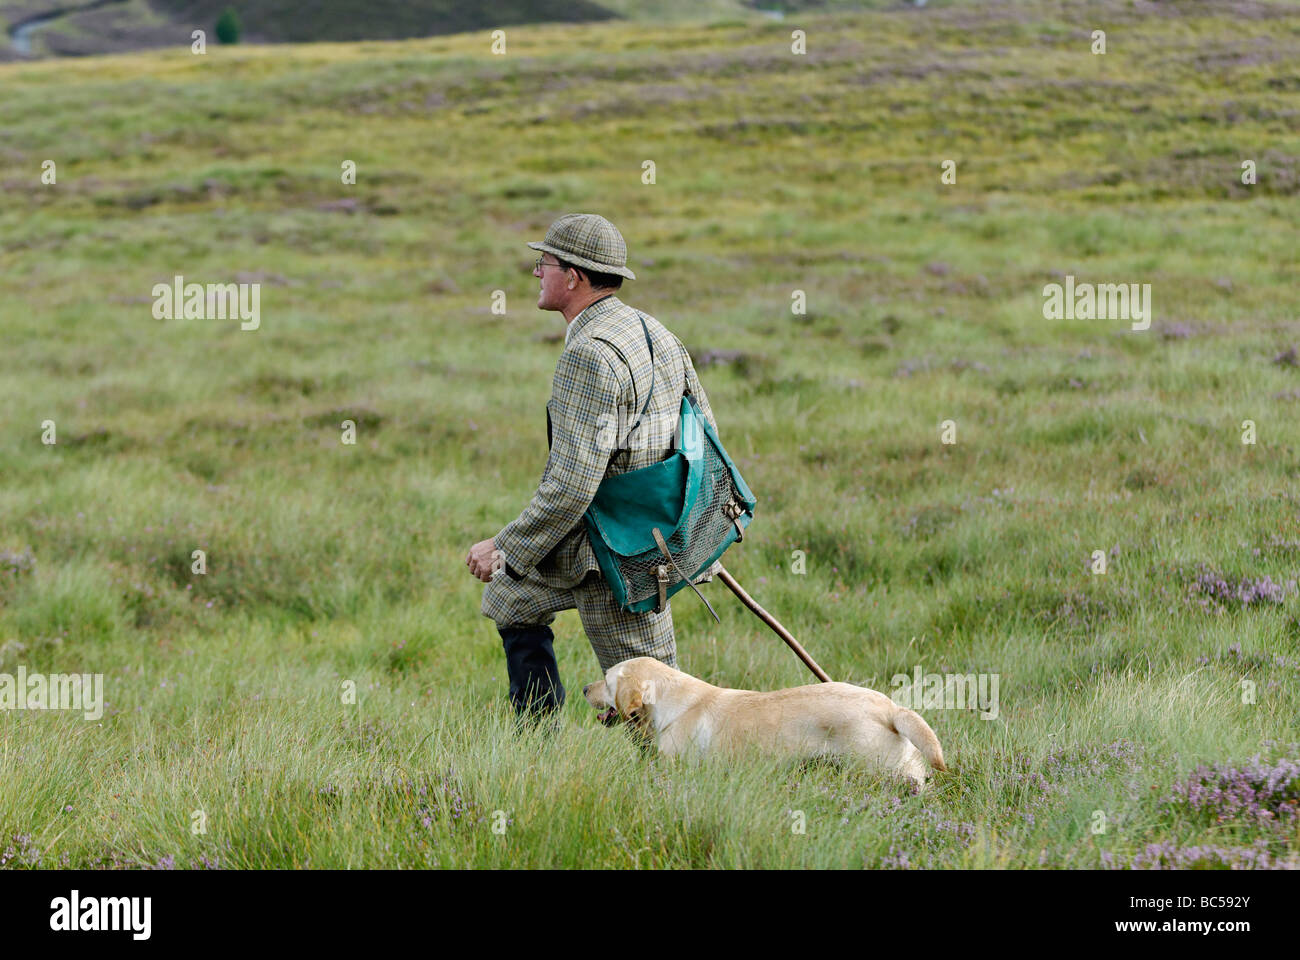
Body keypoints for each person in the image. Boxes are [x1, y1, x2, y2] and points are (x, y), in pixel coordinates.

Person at [466, 213, 718, 725]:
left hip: (615, 557)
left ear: (574, 277)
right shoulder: (654, 330)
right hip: (637, 533)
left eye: (546, 263)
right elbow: (703, 434)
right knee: (512, 597)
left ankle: (675, 800)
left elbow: (572, 485)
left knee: (654, 704)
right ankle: (535, 746)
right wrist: (691, 522)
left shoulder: (590, 355)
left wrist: (506, 545)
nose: (538, 273)